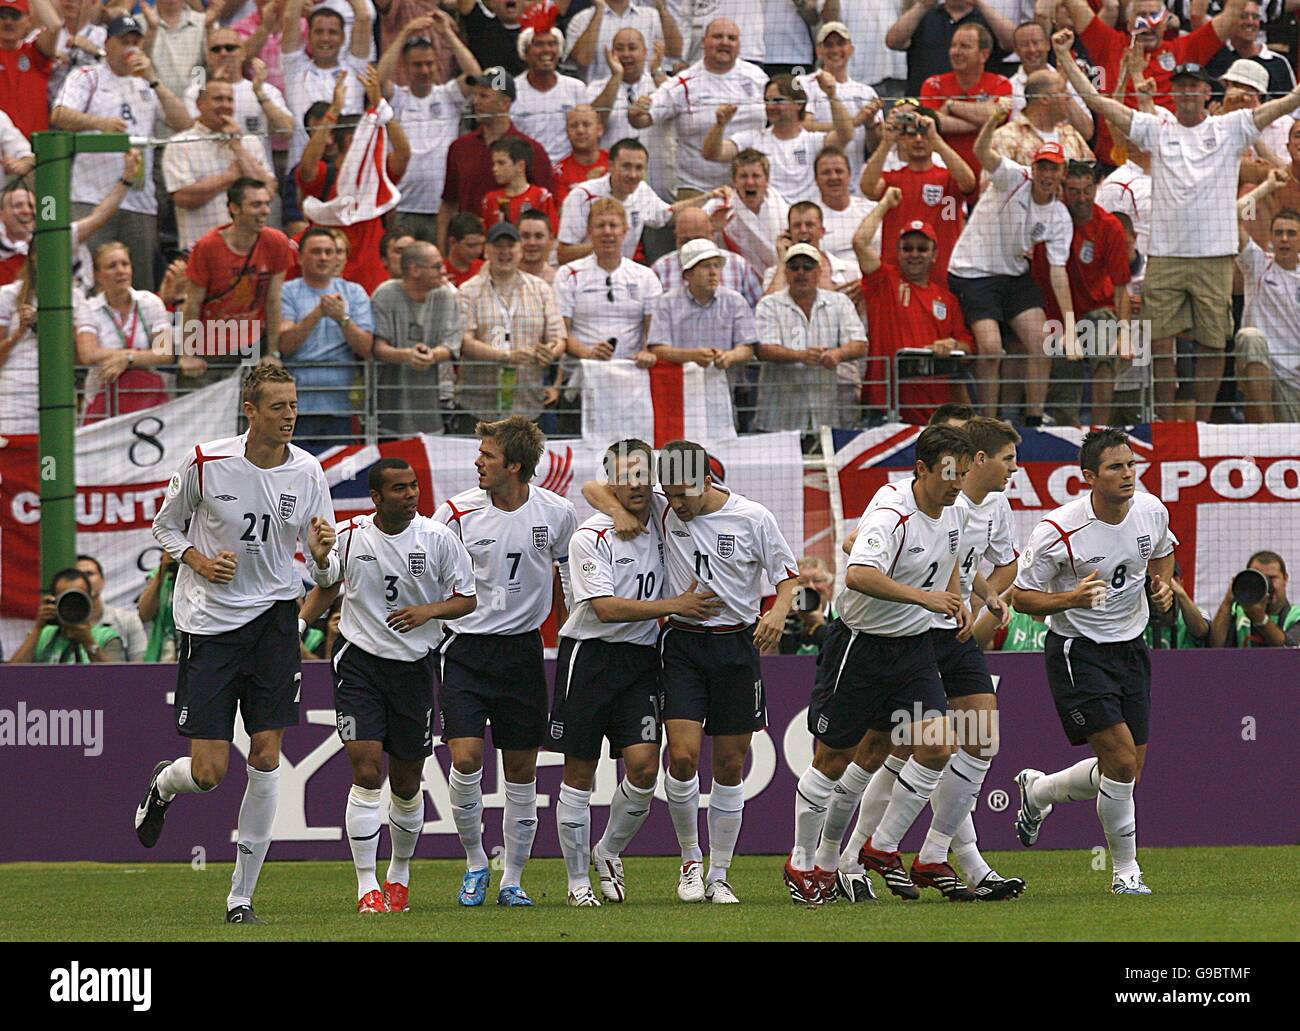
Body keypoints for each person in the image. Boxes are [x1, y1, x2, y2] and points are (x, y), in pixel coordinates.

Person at [139, 364, 337, 923]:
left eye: (294, 405)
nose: (290, 415)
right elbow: (164, 528)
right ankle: (163, 782)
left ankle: (240, 897)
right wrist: (198, 560)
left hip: (274, 620)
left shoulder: (308, 471)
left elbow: (326, 574)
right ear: (250, 411)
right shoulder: (206, 461)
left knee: (267, 755)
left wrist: (323, 555)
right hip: (209, 625)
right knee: (208, 772)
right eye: (278, 406)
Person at [583, 438, 799, 905]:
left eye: (684, 494)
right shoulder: (662, 508)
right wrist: (621, 514)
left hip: (737, 648)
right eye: (670, 493)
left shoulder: (752, 517)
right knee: (680, 758)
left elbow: (788, 578)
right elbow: (593, 487)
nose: (675, 504)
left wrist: (778, 611)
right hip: (681, 645)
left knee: (729, 765)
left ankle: (721, 874)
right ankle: (690, 861)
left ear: (709, 480)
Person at [826, 417, 1026, 903]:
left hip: (948, 627)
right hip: (906, 632)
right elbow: (858, 547)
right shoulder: (907, 498)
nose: (1013, 470)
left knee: (979, 739)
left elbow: (978, 561)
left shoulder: (993, 506)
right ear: (977, 459)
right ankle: (849, 856)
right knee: (887, 751)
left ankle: (940, 855)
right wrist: (930, 594)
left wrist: (981, 597)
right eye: (1007, 459)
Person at [1054, 28, 1300, 420]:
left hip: (1215, 256)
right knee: (1161, 342)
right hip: (1165, 256)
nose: (1186, 94)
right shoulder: (1157, 129)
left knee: (1214, 343)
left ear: (1207, 94)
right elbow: (1097, 103)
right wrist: (1064, 57)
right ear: (1175, 94)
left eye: (1193, 87)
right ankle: (1169, 422)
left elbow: (1286, 102)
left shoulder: (1230, 127)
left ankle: (1198, 422)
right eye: (1180, 87)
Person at [787, 425, 972, 905]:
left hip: (911, 650)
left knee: (937, 747)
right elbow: (859, 572)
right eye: (948, 473)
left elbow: (948, 554)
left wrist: (956, 598)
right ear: (922, 469)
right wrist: (924, 597)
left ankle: (880, 846)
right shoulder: (892, 513)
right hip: (860, 647)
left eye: (962, 473)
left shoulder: (953, 513)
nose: (956, 482)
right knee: (833, 760)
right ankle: (804, 861)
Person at [300, 457, 476, 913]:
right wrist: (317, 569)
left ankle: (398, 872)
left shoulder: (438, 538)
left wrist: (429, 612)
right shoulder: (352, 533)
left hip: (414, 667)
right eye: (399, 488)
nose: (411, 494)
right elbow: (326, 580)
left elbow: (467, 599)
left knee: (406, 782)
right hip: (360, 663)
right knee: (365, 771)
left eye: (413, 486)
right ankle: (366, 886)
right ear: (376, 497)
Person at [553, 438, 721, 907]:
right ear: (612, 480)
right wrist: (676, 606)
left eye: (643, 474)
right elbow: (604, 609)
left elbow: (705, 493)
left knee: (646, 767)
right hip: (588, 657)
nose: (638, 484)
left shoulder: (667, 517)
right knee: (579, 773)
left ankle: (607, 852)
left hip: (642, 659)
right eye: (624, 476)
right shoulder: (591, 535)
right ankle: (576, 883)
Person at [1011, 427, 1176, 896]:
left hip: (1131, 648)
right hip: (1077, 651)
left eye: (1130, 465)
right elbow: (1022, 598)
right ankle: (1125, 872)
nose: (1127, 475)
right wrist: (1071, 598)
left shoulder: (1150, 510)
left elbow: (1163, 552)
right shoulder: (1058, 530)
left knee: (1124, 770)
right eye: (1115, 468)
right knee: (1121, 761)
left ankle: (1039, 791)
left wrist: (1161, 587)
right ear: (1089, 476)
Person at [433, 415, 578, 907]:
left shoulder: (557, 513)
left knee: (521, 770)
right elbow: (430, 574)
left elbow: (568, 574)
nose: (478, 462)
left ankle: (512, 877)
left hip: (522, 653)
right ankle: (475, 862)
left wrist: (574, 630)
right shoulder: (454, 514)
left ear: (514, 465)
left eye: (488, 455)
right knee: (467, 759)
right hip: (466, 651)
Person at [947, 112, 1076, 421]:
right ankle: (988, 422)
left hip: (1014, 275)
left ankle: (1034, 419)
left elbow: (1058, 272)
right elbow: (981, 152)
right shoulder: (1013, 178)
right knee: (991, 348)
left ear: (1063, 173)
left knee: (1043, 343)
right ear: (1033, 169)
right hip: (973, 271)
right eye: (1042, 166)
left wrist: (1070, 327)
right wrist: (992, 119)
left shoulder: (1059, 215)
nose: (1047, 174)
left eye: (1053, 168)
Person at [52, 14, 193, 289]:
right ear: (108, 43)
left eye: (135, 42)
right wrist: (98, 123)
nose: (129, 47)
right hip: (92, 197)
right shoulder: (87, 76)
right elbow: (58, 113)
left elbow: (184, 124)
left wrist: (153, 79)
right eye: (123, 41)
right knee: (92, 283)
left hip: (139, 201)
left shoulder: (145, 84)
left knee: (138, 286)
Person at [854, 191, 974, 424]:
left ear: (934, 254)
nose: (914, 254)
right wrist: (886, 203)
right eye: (907, 248)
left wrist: (951, 345)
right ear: (897, 252)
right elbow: (859, 242)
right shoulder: (884, 281)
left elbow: (967, 348)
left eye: (922, 248)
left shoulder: (947, 299)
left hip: (935, 414)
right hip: (887, 408)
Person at [296, 65, 411, 295]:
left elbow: (404, 154)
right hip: (327, 274)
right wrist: (334, 112)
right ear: (349, 140)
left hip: (372, 276)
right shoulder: (324, 174)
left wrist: (381, 108)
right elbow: (306, 167)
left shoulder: (377, 174)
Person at [628, 18, 768, 195]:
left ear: (739, 44)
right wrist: (636, 112)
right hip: (697, 187)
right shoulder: (683, 83)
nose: (725, 42)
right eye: (718, 36)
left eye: (731, 38)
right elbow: (642, 120)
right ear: (704, 42)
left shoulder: (757, 78)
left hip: (749, 185)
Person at [380, 11, 482, 241]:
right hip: (402, 205)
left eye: (429, 64)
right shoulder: (397, 98)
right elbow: (376, 83)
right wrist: (404, 33)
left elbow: (478, 77)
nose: (424, 70)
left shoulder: (449, 95)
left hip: (441, 208)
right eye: (417, 65)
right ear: (404, 67)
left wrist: (447, 33)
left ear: (437, 65)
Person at [182, 177, 292, 383]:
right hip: (211, 345)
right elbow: (193, 303)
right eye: (256, 205)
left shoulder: (276, 243)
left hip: (253, 343)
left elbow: (273, 300)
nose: (265, 211)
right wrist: (187, 354)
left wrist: (273, 353)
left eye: (267, 204)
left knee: (255, 409)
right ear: (234, 208)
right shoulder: (207, 247)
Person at [438, 65, 555, 250]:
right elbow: (448, 204)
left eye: (484, 96)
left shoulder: (532, 150)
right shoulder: (459, 148)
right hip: (468, 252)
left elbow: (546, 207)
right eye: (475, 95)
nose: (476, 101)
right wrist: (443, 251)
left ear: (505, 103)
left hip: (514, 250)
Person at [753, 243, 866, 434]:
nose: (801, 272)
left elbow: (860, 344)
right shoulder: (768, 304)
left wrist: (838, 354)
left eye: (808, 267)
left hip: (826, 413)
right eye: (794, 267)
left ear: (819, 271)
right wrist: (800, 356)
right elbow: (763, 349)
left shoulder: (839, 302)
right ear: (785, 272)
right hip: (779, 416)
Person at [279, 227, 375, 450]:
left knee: (338, 475)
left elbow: (366, 347)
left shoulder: (354, 292)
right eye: (316, 252)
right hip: (295, 406)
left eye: (328, 252)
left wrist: (342, 319)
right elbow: (284, 345)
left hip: (340, 406)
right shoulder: (287, 291)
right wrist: (317, 314)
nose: (323, 257)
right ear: (300, 257)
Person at [861, 105, 976, 284]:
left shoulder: (948, 179)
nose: (919, 139)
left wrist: (936, 139)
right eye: (911, 134)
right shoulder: (893, 179)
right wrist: (886, 142)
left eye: (925, 133)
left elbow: (969, 182)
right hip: (897, 279)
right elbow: (867, 188)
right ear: (902, 140)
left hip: (942, 276)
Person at [703, 72, 854, 204]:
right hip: (768, 220)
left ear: (798, 104)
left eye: (777, 101)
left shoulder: (813, 141)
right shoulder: (752, 139)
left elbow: (846, 135)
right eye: (767, 101)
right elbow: (713, 154)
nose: (770, 107)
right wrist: (719, 125)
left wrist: (832, 95)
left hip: (804, 219)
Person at [558, 138, 716, 264]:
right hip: (583, 277)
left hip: (623, 274)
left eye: (639, 168)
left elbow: (669, 214)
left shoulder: (642, 191)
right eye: (626, 167)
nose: (633, 175)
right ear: (611, 166)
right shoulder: (582, 195)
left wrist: (709, 197)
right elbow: (564, 255)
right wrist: (603, 246)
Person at [164, 79, 278, 253]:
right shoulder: (180, 144)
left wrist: (237, 147)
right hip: (200, 248)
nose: (225, 105)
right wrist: (230, 177)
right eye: (218, 99)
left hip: (249, 249)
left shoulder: (249, 142)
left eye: (229, 100)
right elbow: (184, 198)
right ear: (199, 104)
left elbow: (268, 190)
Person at [75, 243, 183, 423]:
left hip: (146, 400)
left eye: (125, 264)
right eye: (112, 266)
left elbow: (165, 353)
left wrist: (128, 359)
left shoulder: (151, 302)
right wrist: (135, 356)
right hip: (101, 400)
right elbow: (88, 354)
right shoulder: (88, 308)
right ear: (97, 276)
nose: (120, 271)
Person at [371, 240, 461, 437]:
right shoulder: (385, 294)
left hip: (432, 408)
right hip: (390, 409)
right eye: (437, 266)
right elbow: (378, 347)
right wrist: (408, 355)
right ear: (414, 270)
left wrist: (432, 355)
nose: (443, 270)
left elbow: (452, 344)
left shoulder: (445, 296)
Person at [557, 198, 662, 367]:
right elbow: (562, 332)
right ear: (589, 232)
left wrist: (646, 352)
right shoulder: (568, 274)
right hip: (583, 371)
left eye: (613, 226)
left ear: (625, 231)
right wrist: (589, 354)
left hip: (630, 373)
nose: (607, 232)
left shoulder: (646, 276)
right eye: (600, 226)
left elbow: (654, 333)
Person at [1233, 171, 1300, 422]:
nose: (1284, 239)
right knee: (1250, 338)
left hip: (1296, 385)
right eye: (1279, 233)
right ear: (1271, 238)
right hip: (1267, 379)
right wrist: (1267, 186)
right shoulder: (1258, 265)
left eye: (1291, 233)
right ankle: (1267, 430)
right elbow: (1230, 216)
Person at [647, 238, 756, 381]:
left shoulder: (735, 301)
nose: (713, 272)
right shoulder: (667, 303)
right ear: (687, 274)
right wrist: (691, 356)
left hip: (724, 386)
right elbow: (657, 349)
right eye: (705, 266)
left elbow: (747, 347)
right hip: (680, 386)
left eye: (716, 266)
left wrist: (729, 356)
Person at [280, 0, 370, 170]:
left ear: (343, 37)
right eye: (319, 32)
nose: (325, 38)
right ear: (308, 36)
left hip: (346, 170)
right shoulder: (295, 68)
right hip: (303, 169)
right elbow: (290, 17)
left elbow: (364, 16)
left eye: (333, 32)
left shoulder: (355, 69)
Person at [586, 27, 673, 203]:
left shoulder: (661, 83)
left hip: (657, 184)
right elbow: (594, 123)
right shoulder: (595, 88)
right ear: (611, 53)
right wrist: (616, 76)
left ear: (645, 52)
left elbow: (674, 100)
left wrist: (657, 70)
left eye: (632, 48)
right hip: (612, 187)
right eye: (620, 48)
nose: (626, 54)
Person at [798, 23, 884, 200]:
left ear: (851, 48)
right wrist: (855, 122)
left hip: (855, 189)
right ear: (818, 51)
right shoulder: (805, 83)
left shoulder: (866, 92)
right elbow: (804, 127)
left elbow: (876, 149)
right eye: (828, 45)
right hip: (813, 187)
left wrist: (869, 126)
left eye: (840, 43)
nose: (835, 49)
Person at [920, 22, 1014, 180]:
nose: (956, 52)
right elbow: (935, 122)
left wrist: (951, 105)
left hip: (988, 177)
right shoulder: (933, 84)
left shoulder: (1000, 83)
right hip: (945, 177)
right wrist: (983, 121)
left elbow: (997, 114)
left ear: (984, 55)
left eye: (964, 46)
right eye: (953, 45)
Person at [887, 0, 1017, 100]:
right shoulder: (924, 16)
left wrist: (980, 4)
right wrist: (922, 5)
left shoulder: (987, 19)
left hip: (974, 106)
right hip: (925, 105)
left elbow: (1014, 42)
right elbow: (893, 41)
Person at [650, 207, 762, 307]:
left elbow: (756, 309)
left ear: (712, 234)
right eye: (685, 241)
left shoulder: (738, 265)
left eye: (699, 239)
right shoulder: (660, 269)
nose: (693, 247)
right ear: (676, 237)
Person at [8, 567, 124, 664]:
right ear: (54, 601)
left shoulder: (106, 637)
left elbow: (115, 680)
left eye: (77, 599)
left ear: (90, 600)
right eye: (66, 600)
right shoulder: (43, 635)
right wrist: (38, 628)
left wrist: (89, 643)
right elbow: (12, 676)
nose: (72, 606)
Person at [510, 24, 588, 166]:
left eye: (552, 44)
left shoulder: (576, 88)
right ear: (524, 52)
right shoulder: (512, 90)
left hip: (567, 169)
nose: (546, 50)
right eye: (539, 45)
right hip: (526, 170)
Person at [706, 149, 788, 274]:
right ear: (734, 181)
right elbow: (695, 242)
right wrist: (712, 228)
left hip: (778, 275)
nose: (750, 182)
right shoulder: (719, 206)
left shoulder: (782, 209)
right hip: (733, 276)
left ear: (766, 180)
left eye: (756, 176)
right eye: (743, 176)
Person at [1007, 19, 1092, 138]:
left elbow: (1087, 131)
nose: (1032, 50)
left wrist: (1062, 88)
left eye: (1036, 42)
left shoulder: (1070, 81)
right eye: (1025, 45)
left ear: (1048, 44)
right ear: (1016, 50)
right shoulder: (1009, 87)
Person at [992, 68, 1093, 168]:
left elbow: (1093, 174)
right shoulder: (1005, 137)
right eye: (1062, 91)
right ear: (1044, 99)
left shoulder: (1071, 134)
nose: (1068, 97)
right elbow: (992, 182)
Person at [564, 0, 678, 84]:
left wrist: (661, 6)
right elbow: (582, 61)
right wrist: (599, 10)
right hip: (599, 97)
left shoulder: (651, 15)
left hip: (645, 95)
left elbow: (675, 53)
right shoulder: (582, 19)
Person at [1209, 549, 1300, 647]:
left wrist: (1260, 619)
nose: (1266, 584)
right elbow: (1213, 647)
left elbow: (1291, 650)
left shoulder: (1296, 616)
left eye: (1272, 578)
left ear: (1285, 578)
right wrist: (1227, 602)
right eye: (1259, 578)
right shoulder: (1235, 612)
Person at [1207, 1, 1296, 99]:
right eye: (1243, 16)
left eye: (1255, 17)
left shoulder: (1278, 63)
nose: (1250, 22)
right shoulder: (1214, 57)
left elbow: (1292, 107)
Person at [0, 0, 60, 140]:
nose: (8, 22)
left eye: (15, 16)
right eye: (2, 15)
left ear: (28, 21)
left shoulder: (35, 52)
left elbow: (54, 26)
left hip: (36, 145)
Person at [74, 553, 148, 662]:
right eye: (78, 575)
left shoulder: (128, 620)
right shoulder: (54, 625)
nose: (84, 580)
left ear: (102, 581)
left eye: (89, 574)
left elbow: (140, 669)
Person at [481, 135, 560, 233]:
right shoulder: (490, 199)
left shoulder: (541, 196)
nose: (495, 168)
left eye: (501, 163)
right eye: (494, 163)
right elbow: (486, 238)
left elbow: (552, 234)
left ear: (520, 166)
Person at [814, 147, 877, 267]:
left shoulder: (872, 211)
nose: (833, 177)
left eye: (839, 171)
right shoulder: (810, 219)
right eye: (826, 172)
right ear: (816, 179)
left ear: (849, 175)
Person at [552, 104, 608, 206]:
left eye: (586, 124)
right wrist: (587, 185)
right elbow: (562, 215)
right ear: (567, 132)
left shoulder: (614, 163)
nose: (580, 131)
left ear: (599, 130)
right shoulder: (558, 173)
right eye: (573, 126)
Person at [138, 550, 179, 662]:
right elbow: (144, 614)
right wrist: (162, 571)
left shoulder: (203, 572)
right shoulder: (161, 574)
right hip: (164, 656)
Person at [444, 212, 486, 287]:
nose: (479, 251)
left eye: (482, 244)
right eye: (471, 245)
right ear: (453, 242)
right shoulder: (440, 273)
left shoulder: (485, 270)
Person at [517, 207, 557, 283]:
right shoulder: (499, 278)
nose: (532, 242)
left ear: (550, 240)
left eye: (539, 236)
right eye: (525, 236)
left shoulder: (559, 281)